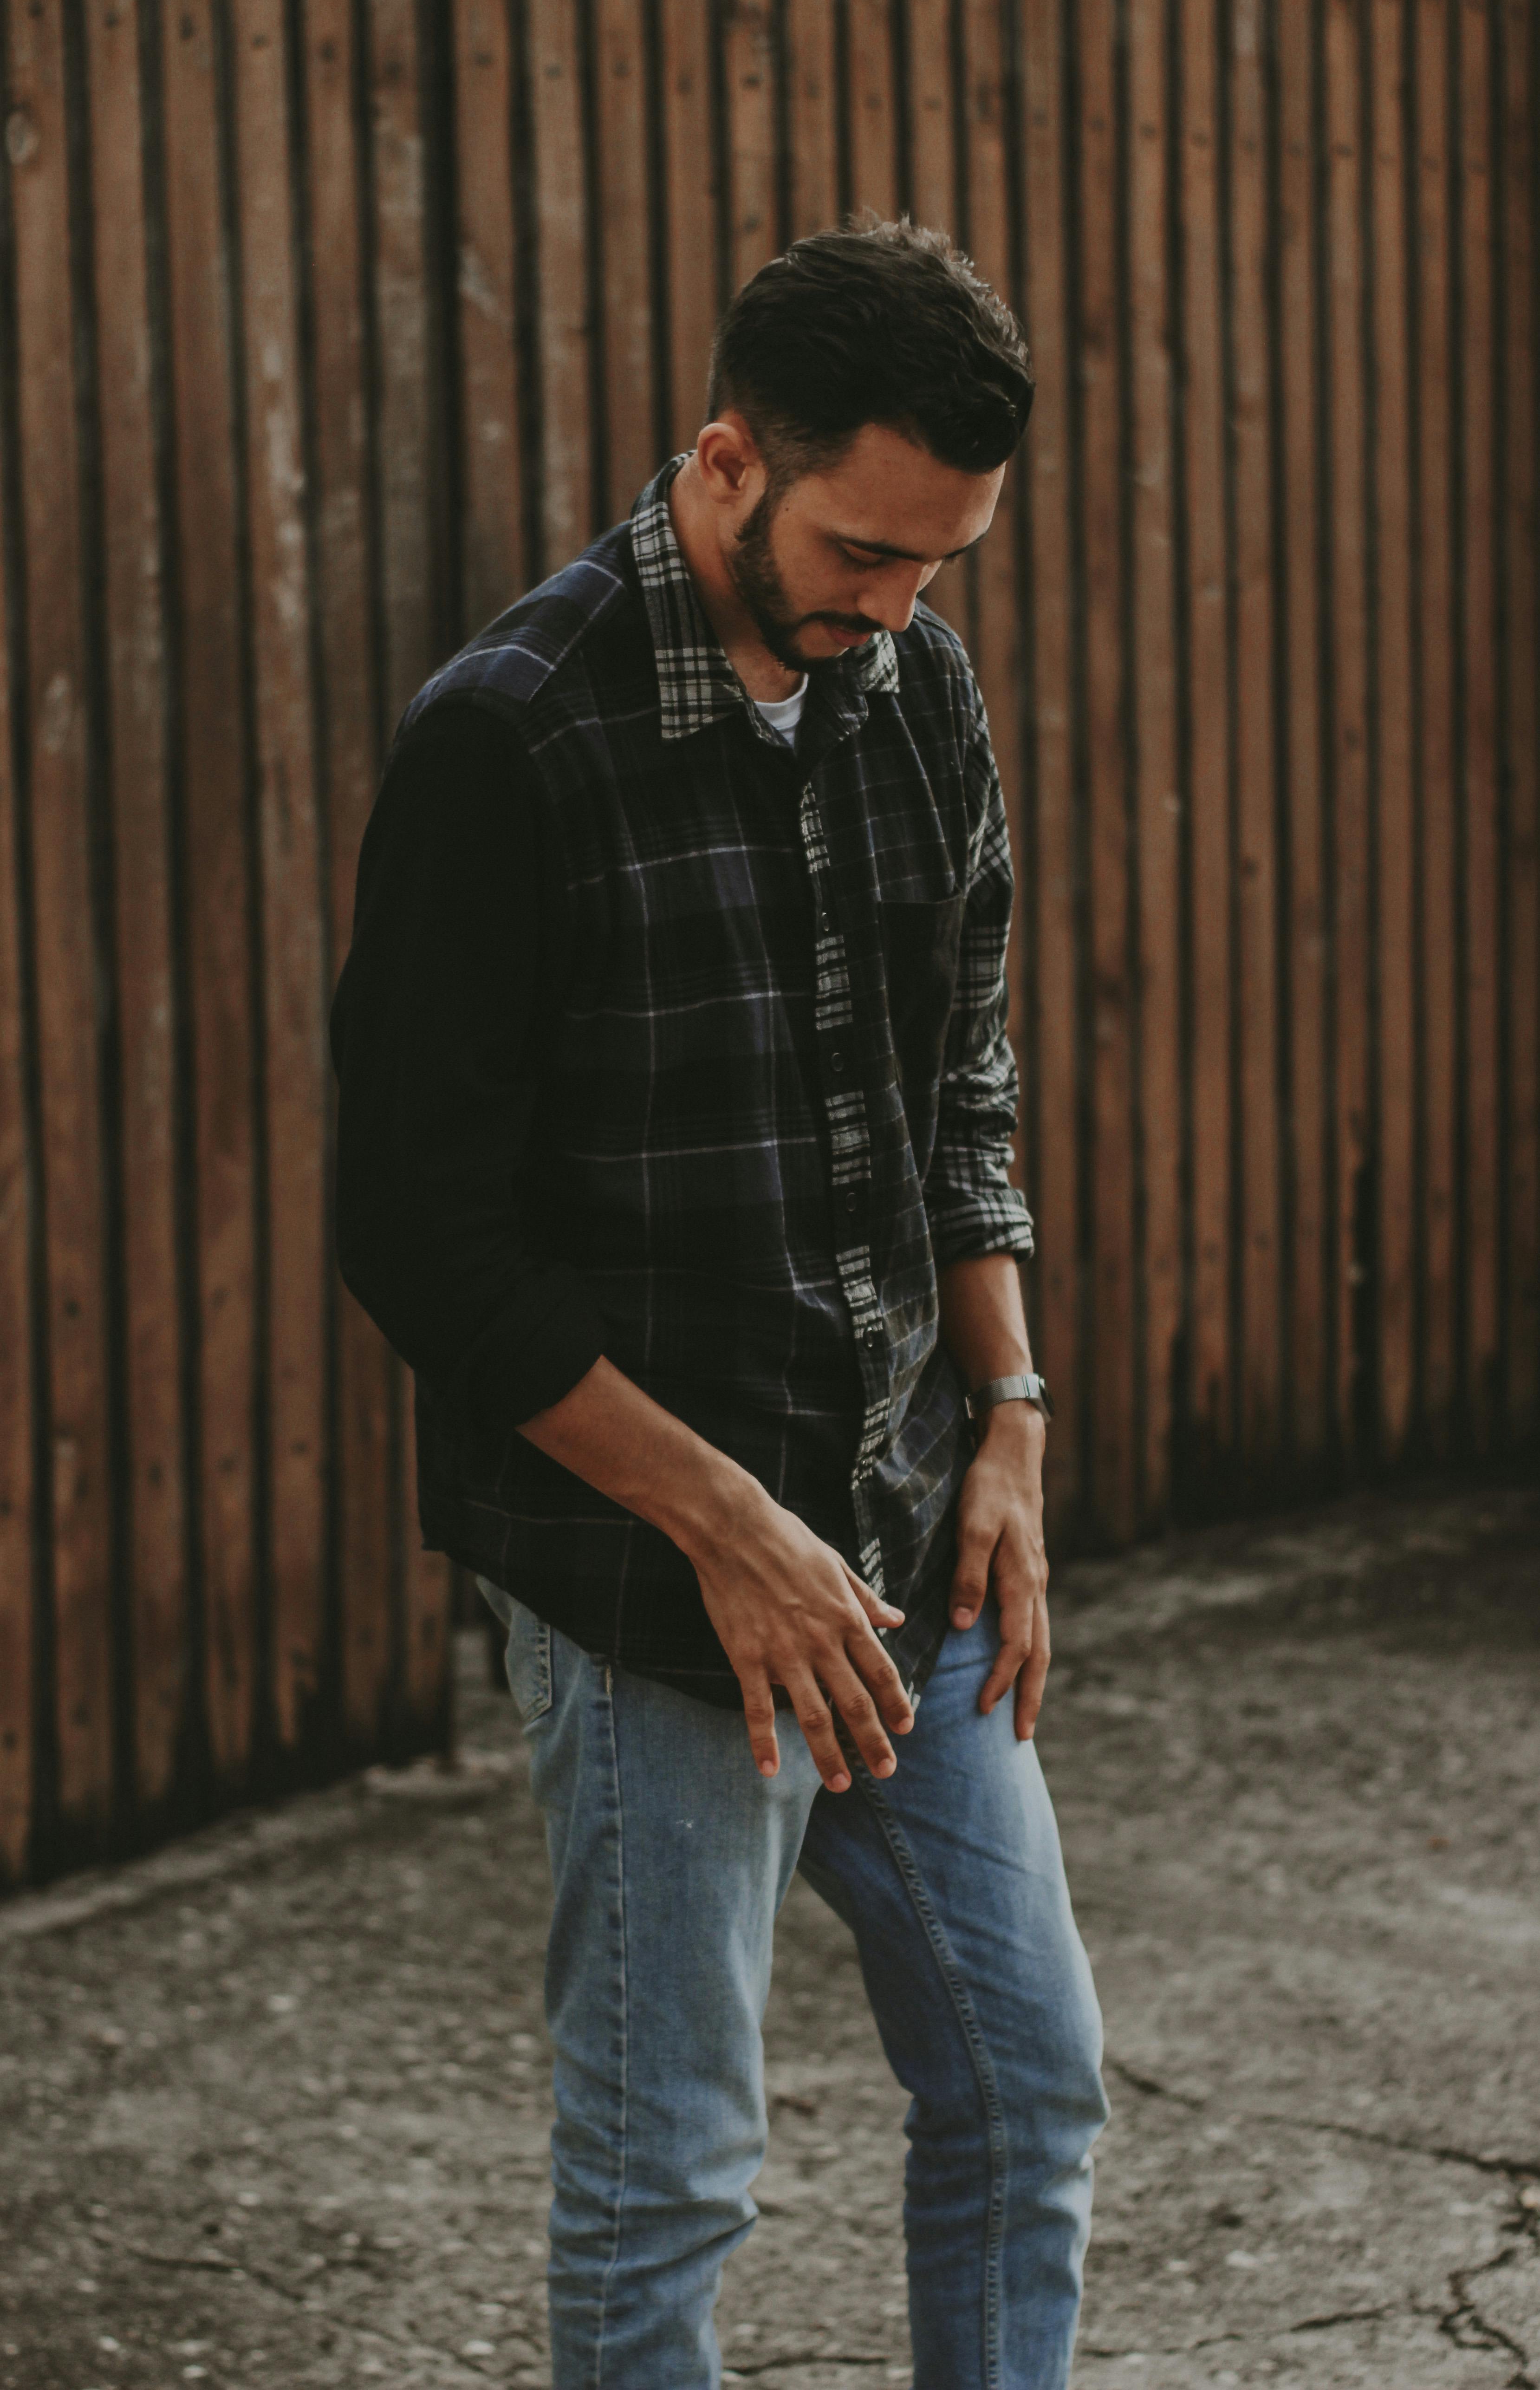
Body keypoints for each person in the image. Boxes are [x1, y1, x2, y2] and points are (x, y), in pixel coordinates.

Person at [330, 216, 1107, 2389]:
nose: (899, 608)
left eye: (944, 564)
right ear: (724, 460)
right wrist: (728, 1529)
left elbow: (966, 1071)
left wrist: (1015, 1420)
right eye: (868, 551)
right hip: (653, 1593)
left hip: (905, 1548)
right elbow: (420, 1234)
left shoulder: (914, 685)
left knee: (1030, 2090)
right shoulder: (510, 739)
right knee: (666, 2178)